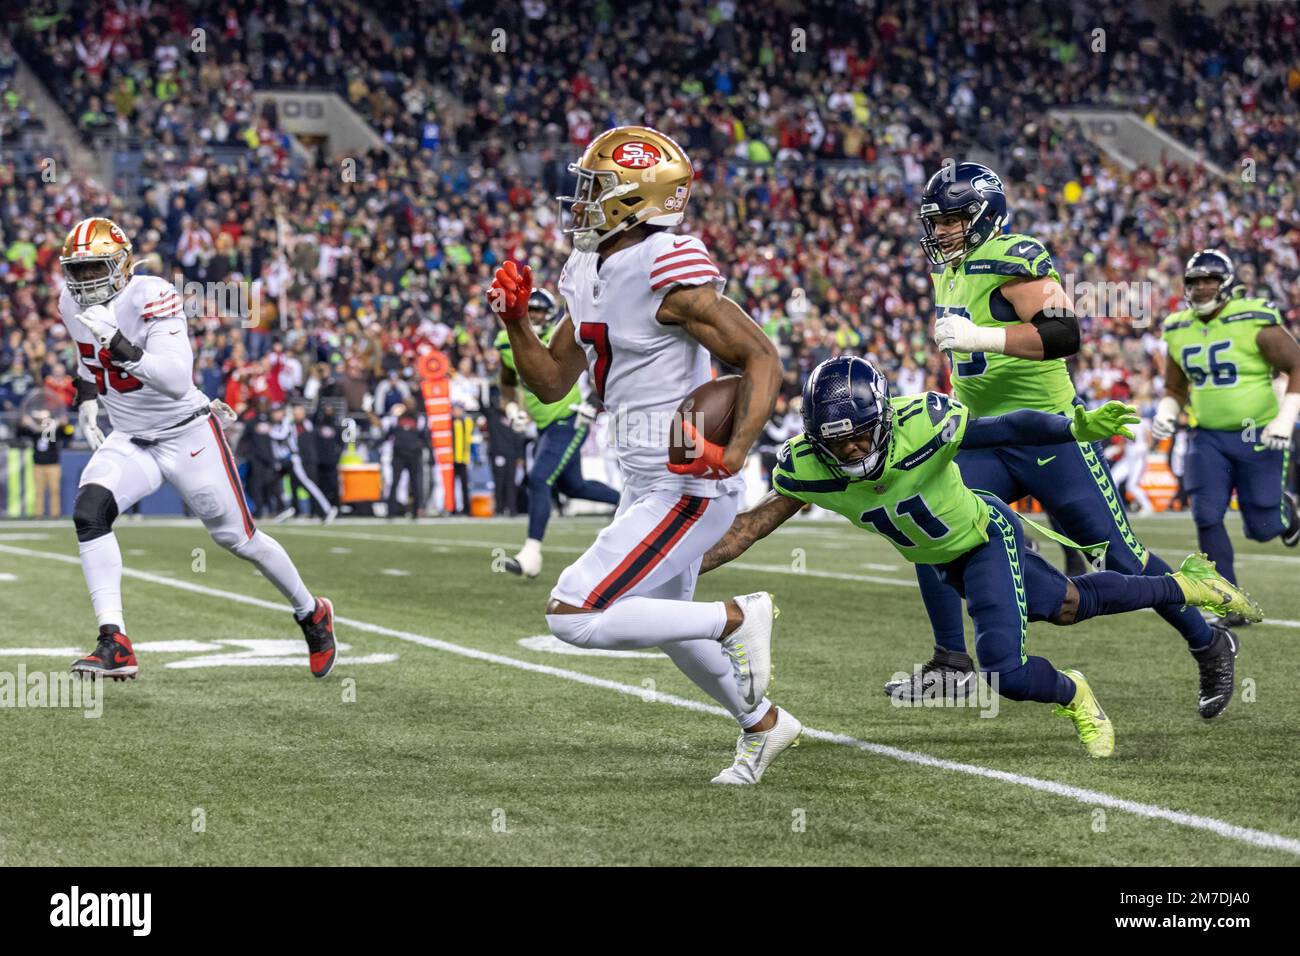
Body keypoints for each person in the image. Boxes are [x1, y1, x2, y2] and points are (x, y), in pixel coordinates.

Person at [702, 357, 1263, 758]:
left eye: (861, 434)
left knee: (1005, 669)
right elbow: (750, 526)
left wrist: (1075, 426)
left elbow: (1007, 426)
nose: (851, 448)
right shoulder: (807, 468)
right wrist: (681, 563)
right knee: (1070, 604)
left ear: (885, 419)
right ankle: (1186, 586)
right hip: (950, 561)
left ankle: (1075, 694)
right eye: (837, 440)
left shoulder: (923, 424)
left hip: (986, 536)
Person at [489, 125, 796, 785]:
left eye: (595, 188)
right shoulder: (588, 267)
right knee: (672, 632)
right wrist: (516, 322)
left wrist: (735, 452)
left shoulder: (666, 265)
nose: (580, 200)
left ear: (637, 198)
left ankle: (741, 616)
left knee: (572, 611)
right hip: (642, 477)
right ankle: (765, 725)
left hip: (686, 480)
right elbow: (550, 380)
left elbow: (761, 356)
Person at [908, 161, 1237, 719]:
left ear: (984, 215)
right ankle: (950, 659)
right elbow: (972, 365)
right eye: (936, 222)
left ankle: (1208, 640)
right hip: (984, 435)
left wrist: (980, 334)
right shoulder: (950, 268)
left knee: (1120, 557)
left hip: (1049, 435)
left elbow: (1065, 333)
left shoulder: (1014, 255)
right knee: (929, 521)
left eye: (953, 220)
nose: (941, 232)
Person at [57, 217, 337, 681]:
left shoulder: (151, 294)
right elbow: (86, 355)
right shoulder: (70, 301)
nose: (85, 282)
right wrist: (87, 399)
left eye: (95, 269)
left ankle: (311, 613)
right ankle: (115, 642)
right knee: (90, 512)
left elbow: (173, 380)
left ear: (122, 265)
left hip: (186, 433)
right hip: (130, 438)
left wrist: (118, 340)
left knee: (239, 540)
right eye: (78, 271)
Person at [1153, 249, 1300, 626]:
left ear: (1227, 284)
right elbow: (1175, 385)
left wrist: (1286, 418)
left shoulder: (1253, 318)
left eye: (1209, 281)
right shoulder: (1178, 326)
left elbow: (1296, 364)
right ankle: (1229, 601)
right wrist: (1168, 413)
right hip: (1207, 436)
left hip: (1259, 433)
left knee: (1263, 528)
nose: (1202, 288)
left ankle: (1286, 513)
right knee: (1205, 514)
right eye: (1194, 281)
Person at [495, 288, 619, 577]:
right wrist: (512, 410)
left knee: (539, 479)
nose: (535, 315)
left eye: (540, 310)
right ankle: (625, 500)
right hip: (544, 426)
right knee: (573, 486)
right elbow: (506, 386)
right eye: (531, 309)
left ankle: (531, 555)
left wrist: (592, 403)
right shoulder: (505, 342)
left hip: (569, 418)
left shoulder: (562, 335)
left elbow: (601, 364)